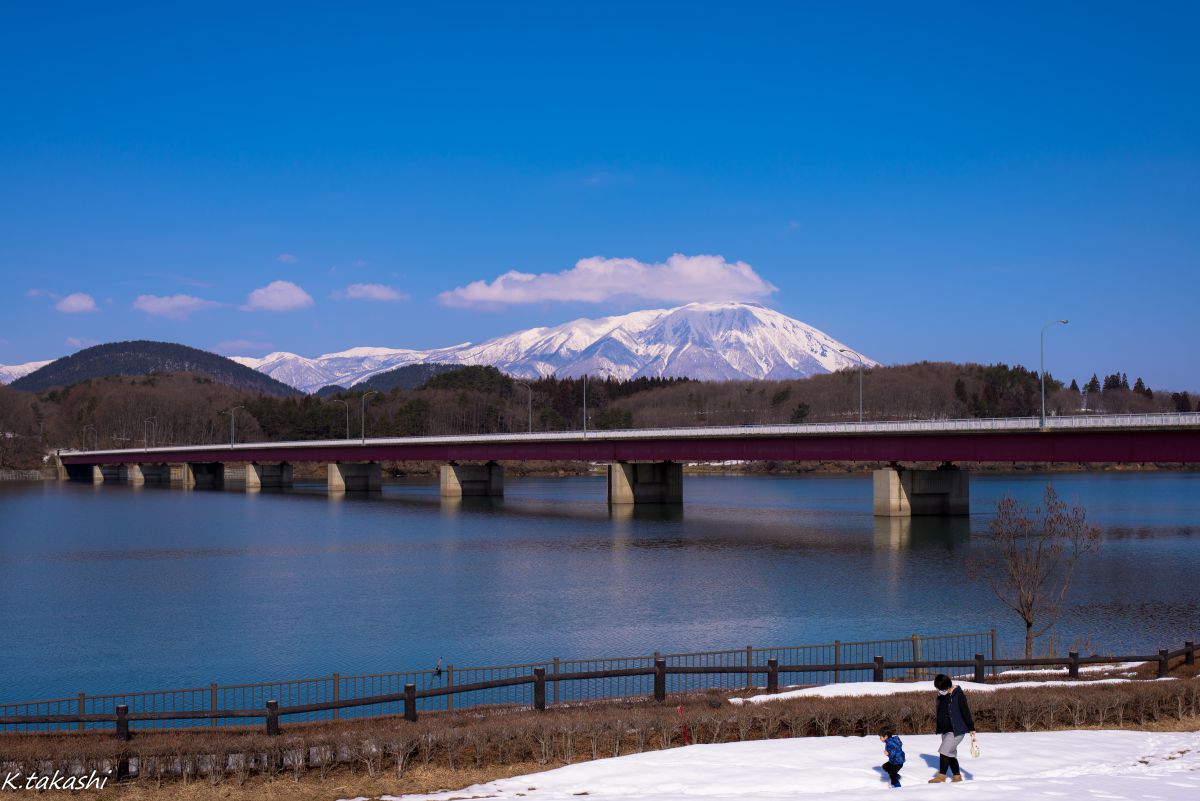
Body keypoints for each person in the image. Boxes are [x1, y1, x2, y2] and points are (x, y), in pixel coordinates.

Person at [929, 673, 976, 783]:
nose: (939, 690)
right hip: (945, 730)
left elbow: (965, 711)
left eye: (940, 688)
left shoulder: (958, 694)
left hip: (956, 731)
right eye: (938, 688)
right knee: (950, 754)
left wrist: (971, 727)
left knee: (944, 751)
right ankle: (957, 776)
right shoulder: (941, 695)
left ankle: (941, 776)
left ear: (947, 686)